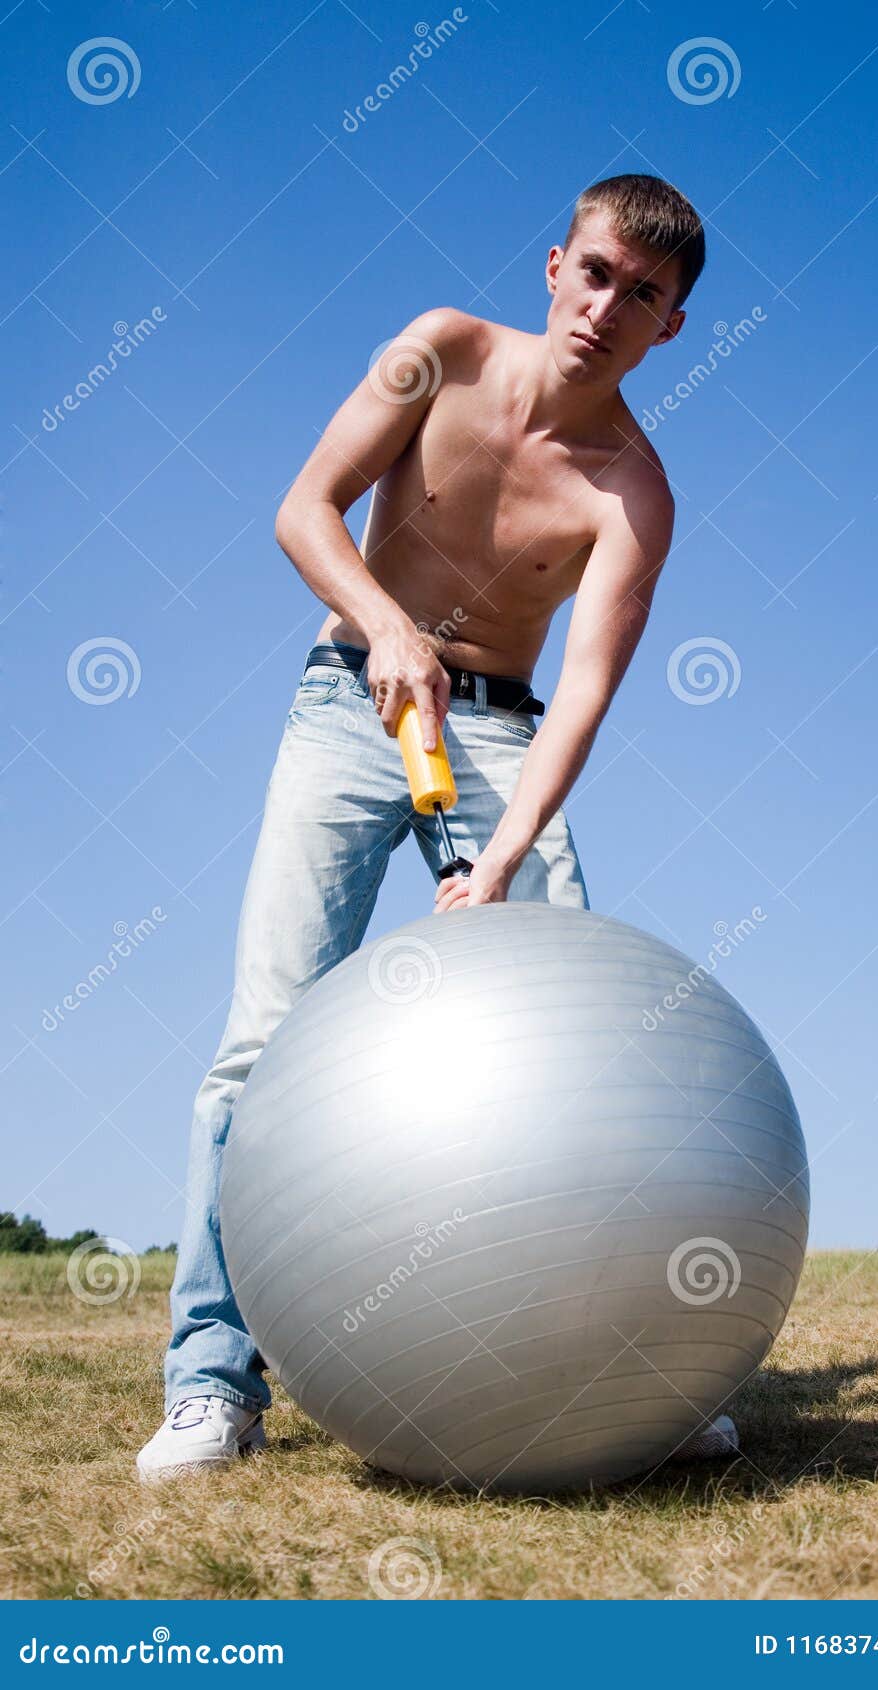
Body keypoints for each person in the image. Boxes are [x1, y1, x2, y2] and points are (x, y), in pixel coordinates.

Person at [137, 172, 734, 1480]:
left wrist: (504, 855)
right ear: (554, 268)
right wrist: (388, 626)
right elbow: (303, 508)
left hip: (504, 738)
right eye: (595, 273)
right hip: (347, 704)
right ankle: (213, 1381)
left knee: (592, 1049)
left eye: (643, 296)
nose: (607, 308)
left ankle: (637, 1368)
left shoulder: (633, 495)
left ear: (671, 327)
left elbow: (585, 694)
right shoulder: (443, 349)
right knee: (260, 1047)